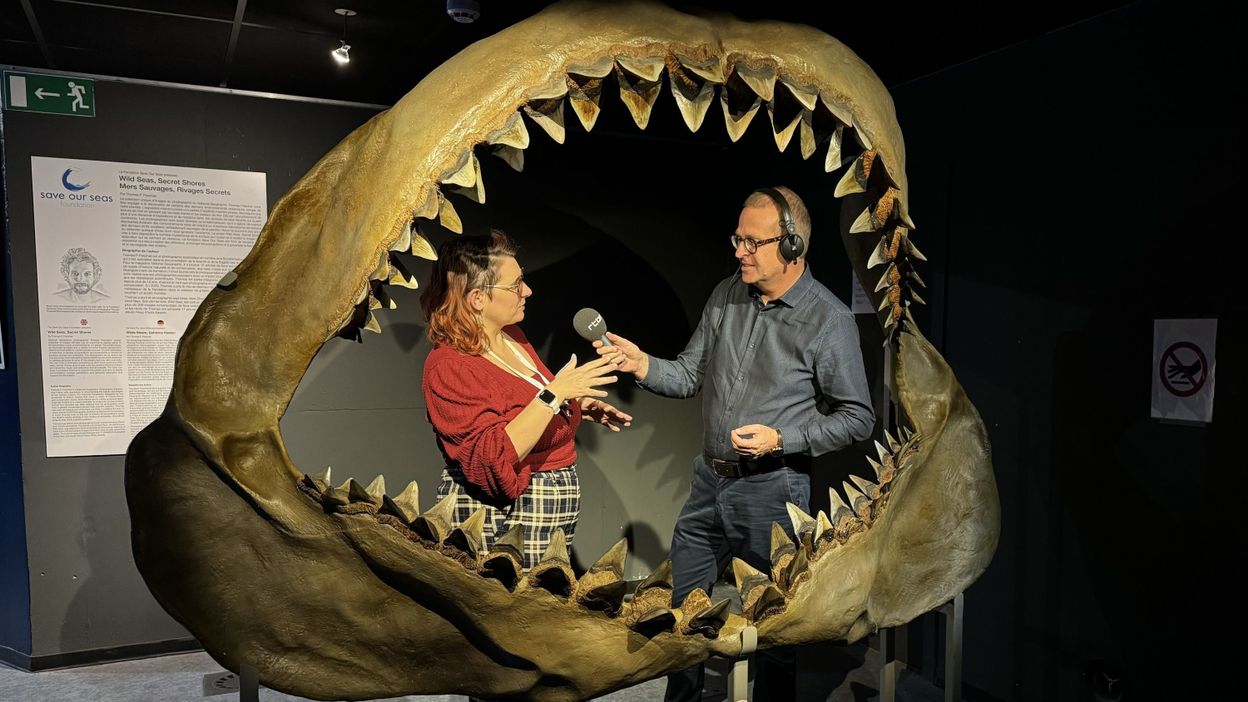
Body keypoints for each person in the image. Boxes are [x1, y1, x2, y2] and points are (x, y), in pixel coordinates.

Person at [597, 187, 875, 701]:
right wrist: (642, 365)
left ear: (791, 246)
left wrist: (781, 439)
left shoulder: (827, 319)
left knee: (771, 628)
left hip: (774, 491)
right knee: (684, 617)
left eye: (752, 242)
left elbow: (857, 418)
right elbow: (687, 374)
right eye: (737, 239)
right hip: (709, 483)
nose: (739, 251)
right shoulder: (727, 294)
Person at [420, 229, 631, 570]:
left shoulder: (511, 336)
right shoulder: (449, 367)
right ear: (477, 298)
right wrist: (556, 394)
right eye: (515, 285)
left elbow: (523, 406)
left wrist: (575, 407)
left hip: (547, 505)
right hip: (504, 516)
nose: (527, 291)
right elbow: (491, 458)